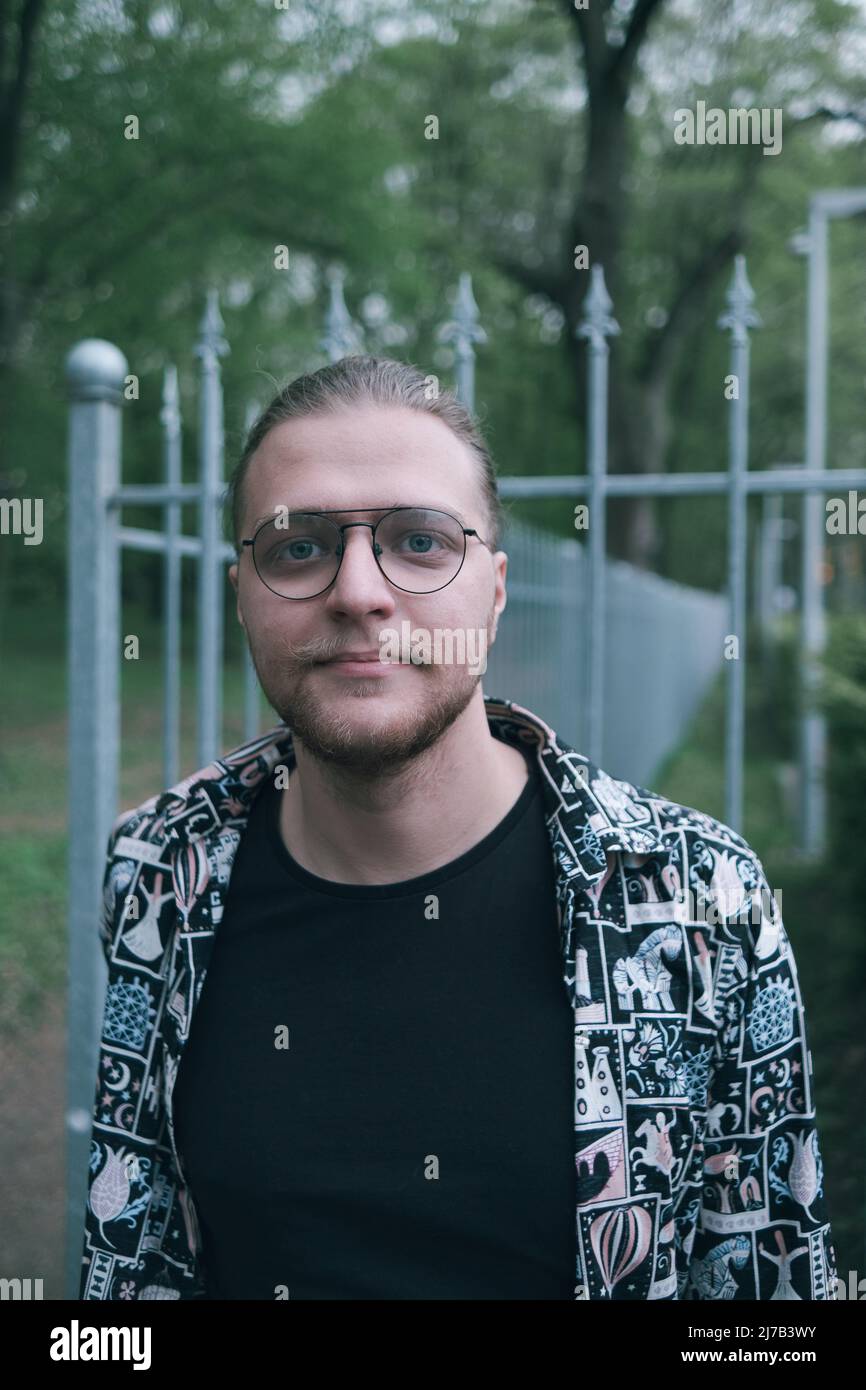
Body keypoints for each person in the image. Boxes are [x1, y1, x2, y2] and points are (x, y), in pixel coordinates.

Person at [79, 356, 837, 1301]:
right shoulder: (160, 873)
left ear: (496, 590)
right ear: (242, 592)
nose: (359, 590)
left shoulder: (698, 899)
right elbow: (131, 1265)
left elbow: (770, 1300)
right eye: (297, 546)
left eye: (420, 540)